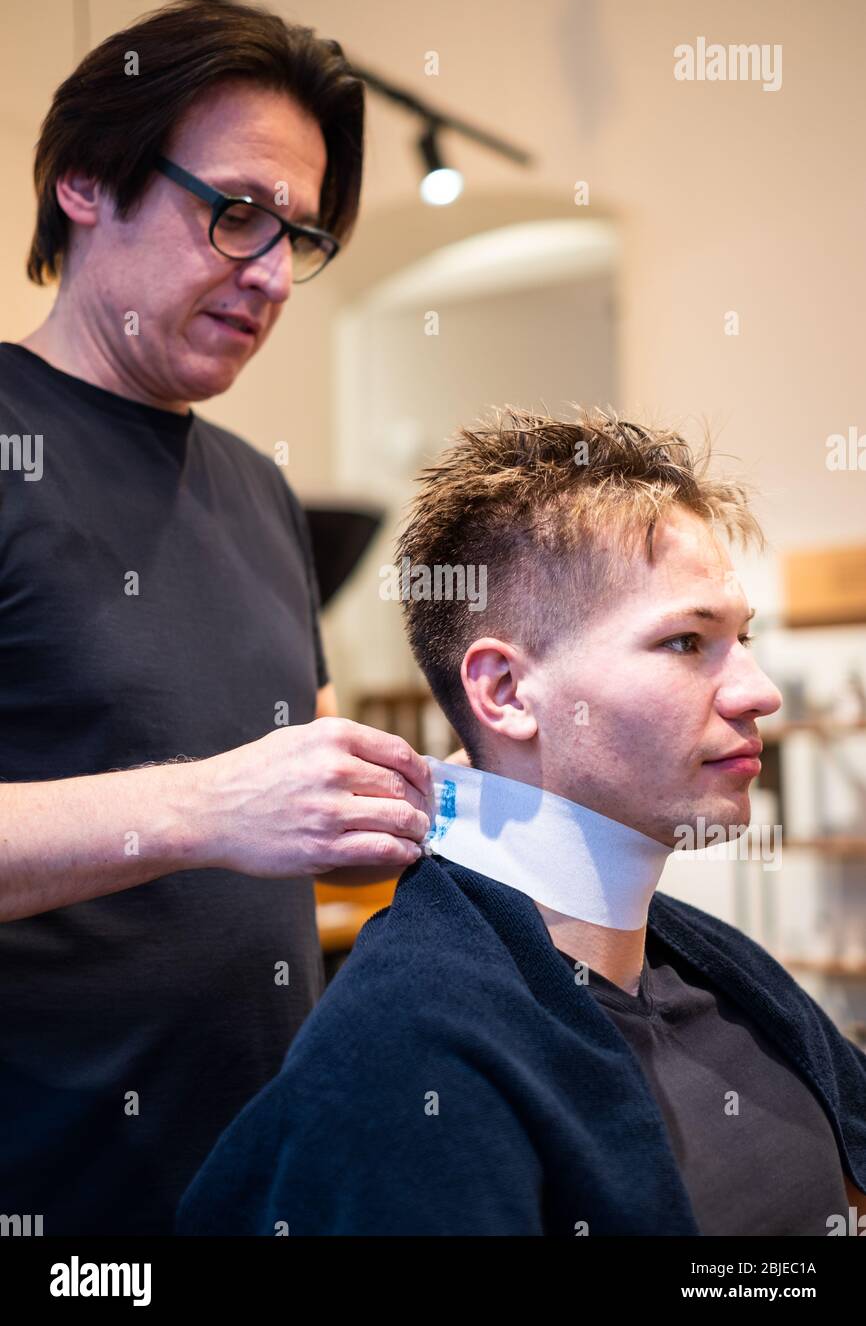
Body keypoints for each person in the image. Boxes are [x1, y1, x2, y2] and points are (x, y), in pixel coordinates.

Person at [176, 408, 866, 1236]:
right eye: (686, 642)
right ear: (503, 692)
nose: (759, 691)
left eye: (741, 638)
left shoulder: (729, 977)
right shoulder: (403, 1066)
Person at [0, 0, 432, 1236]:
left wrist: (441, 796)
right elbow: (233, 805)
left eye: (298, 236)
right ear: (86, 180)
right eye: (235, 212)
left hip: (257, 1180)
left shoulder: (256, 488)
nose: (271, 274)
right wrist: (206, 807)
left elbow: (321, 812)